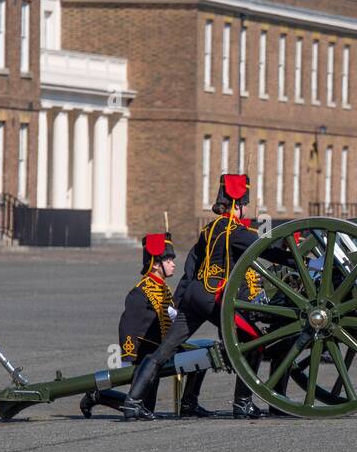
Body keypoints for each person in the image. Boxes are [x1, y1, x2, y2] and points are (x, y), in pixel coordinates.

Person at [120, 175, 297, 420]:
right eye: (244, 204)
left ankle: (133, 402)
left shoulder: (208, 229)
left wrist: (182, 301)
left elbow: (191, 265)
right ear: (238, 203)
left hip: (195, 294)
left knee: (163, 351)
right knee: (254, 342)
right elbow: (267, 251)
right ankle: (242, 403)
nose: (245, 208)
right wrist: (298, 260)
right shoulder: (236, 231)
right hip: (214, 297)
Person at [80, 232, 206, 417]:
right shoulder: (140, 292)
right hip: (146, 356)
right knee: (144, 407)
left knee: (199, 357)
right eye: (168, 260)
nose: (173, 263)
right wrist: (128, 356)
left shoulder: (164, 289)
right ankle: (98, 394)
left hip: (163, 350)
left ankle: (189, 403)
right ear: (155, 264)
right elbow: (128, 326)